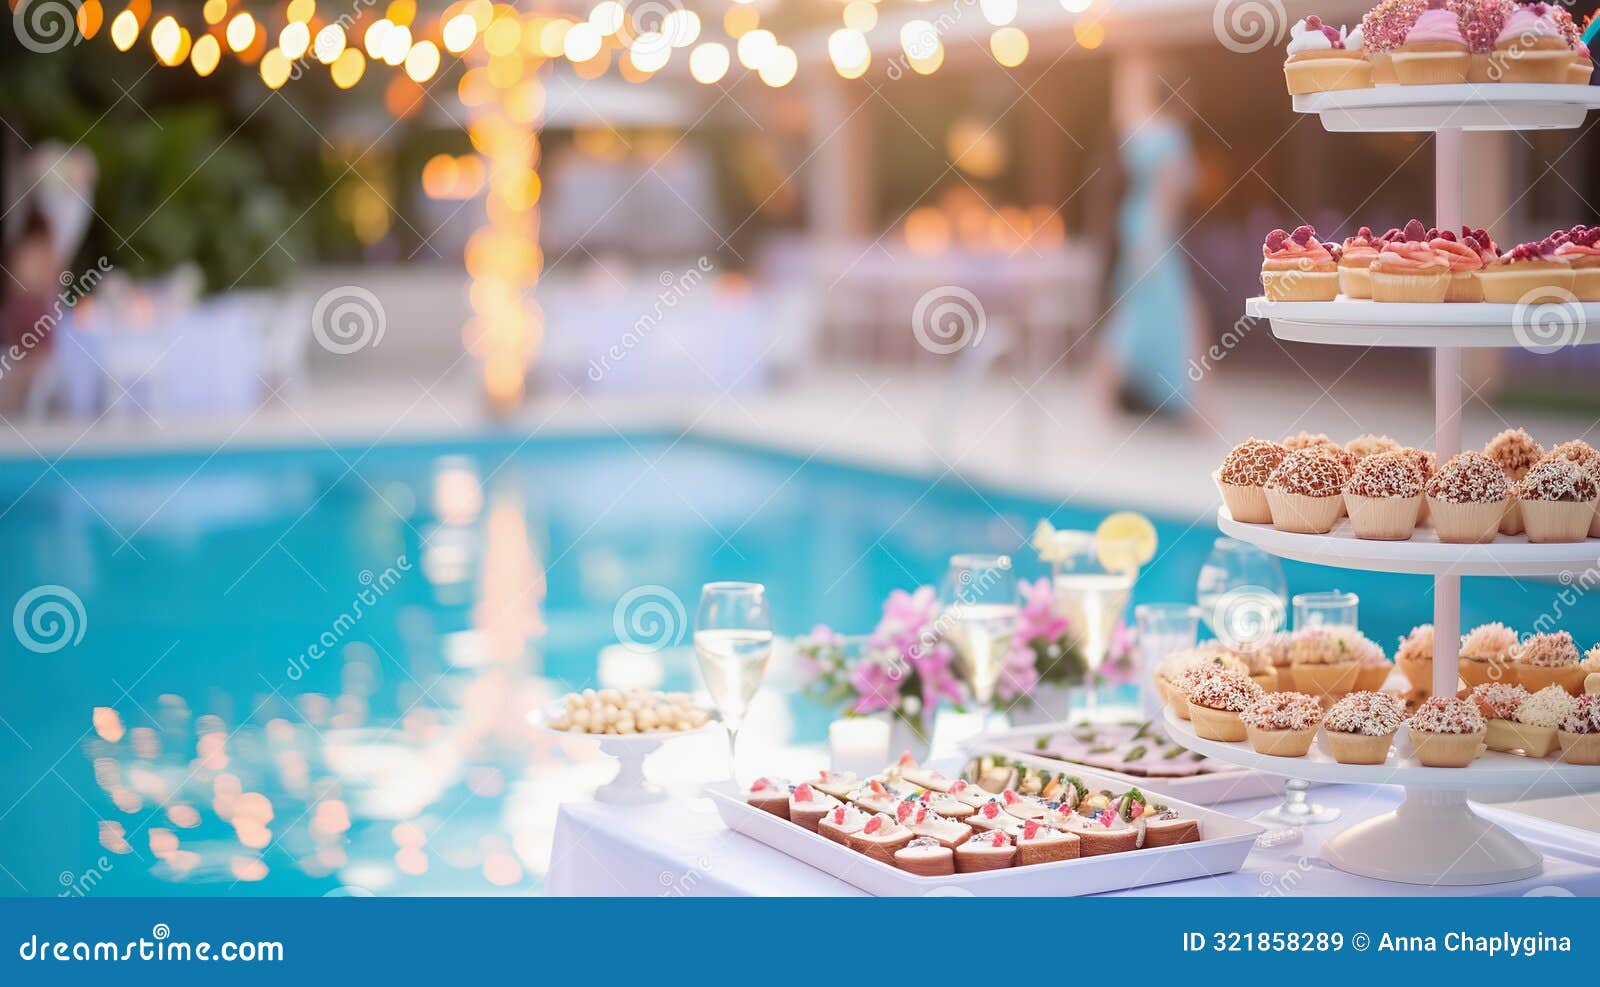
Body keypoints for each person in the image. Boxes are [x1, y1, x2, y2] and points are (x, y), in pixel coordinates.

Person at [1095, 50, 1209, 426]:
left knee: (1137, 309)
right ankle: (1190, 403)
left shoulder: (1139, 129)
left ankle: (1110, 393)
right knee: (1175, 311)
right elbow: (1168, 195)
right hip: (1153, 232)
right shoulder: (1171, 135)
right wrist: (1153, 243)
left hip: (1138, 224)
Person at [0, 209, 64, 414]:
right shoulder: (47, 253)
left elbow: (15, 287)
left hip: (24, 325)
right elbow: (52, 286)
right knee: (30, 375)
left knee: (21, 378)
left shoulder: (21, 252)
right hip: (33, 322)